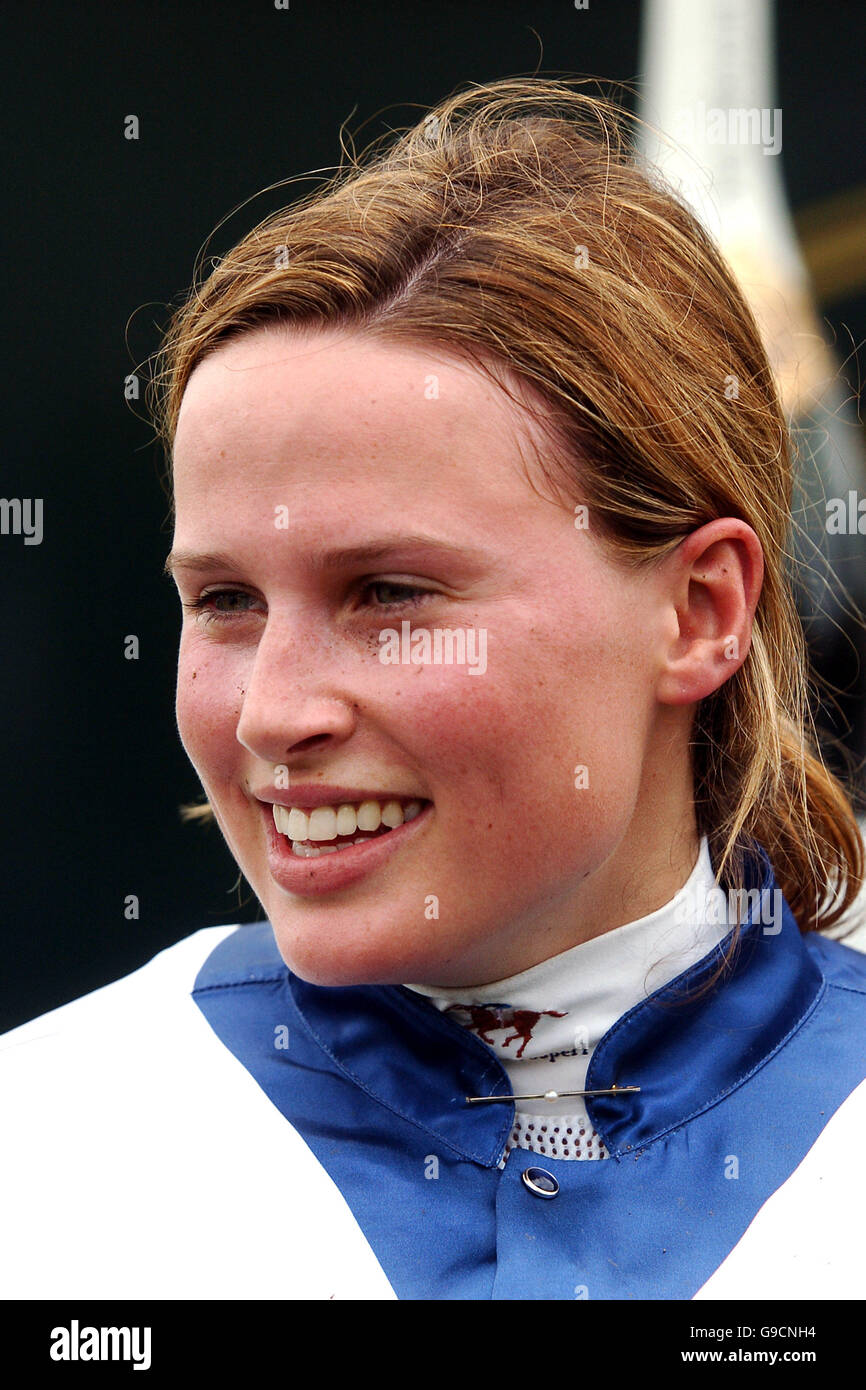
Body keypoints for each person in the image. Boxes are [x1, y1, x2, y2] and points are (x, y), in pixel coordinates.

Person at [3, 76, 866, 1301]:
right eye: (226, 601)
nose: (270, 713)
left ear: (698, 611)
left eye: (389, 593)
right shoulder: (43, 1154)